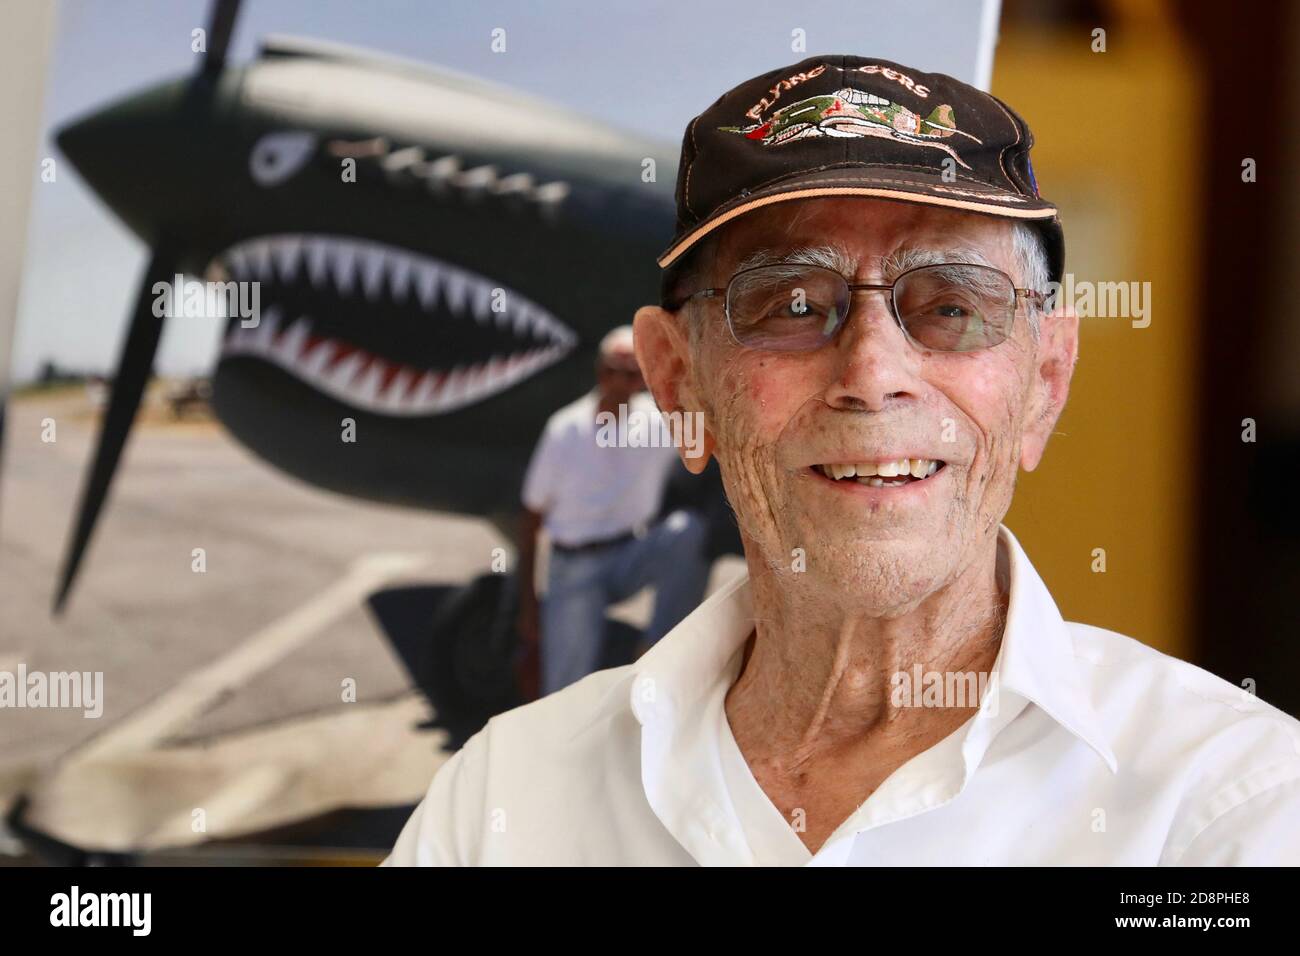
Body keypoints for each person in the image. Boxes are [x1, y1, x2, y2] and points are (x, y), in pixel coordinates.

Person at [384, 55, 1300, 865]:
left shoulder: (1234, 808)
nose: (871, 375)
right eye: (788, 304)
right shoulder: (505, 800)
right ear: (678, 381)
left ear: (1045, 382)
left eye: (950, 306)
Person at [514, 326, 709, 699]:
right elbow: (530, 519)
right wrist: (528, 607)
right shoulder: (565, 430)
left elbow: (711, 431)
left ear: (644, 378)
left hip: (629, 554)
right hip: (575, 568)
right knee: (565, 692)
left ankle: (660, 652)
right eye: (610, 372)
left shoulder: (657, 425)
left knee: (688, 532)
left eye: (631, 373)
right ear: (598, 372)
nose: (619, 382)